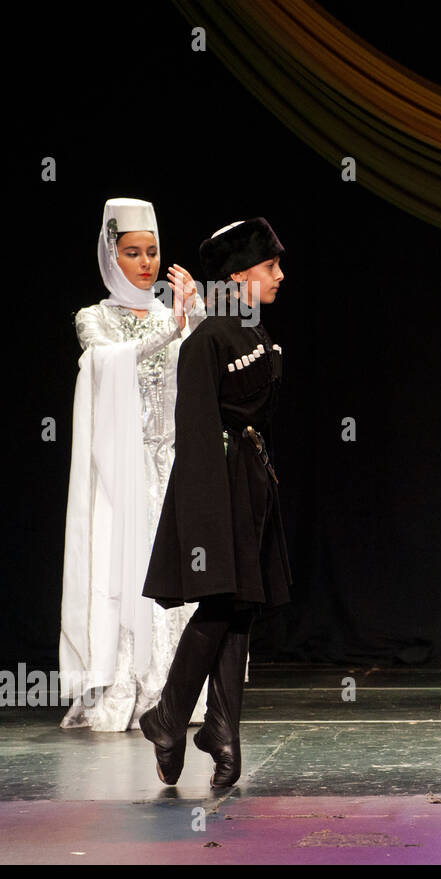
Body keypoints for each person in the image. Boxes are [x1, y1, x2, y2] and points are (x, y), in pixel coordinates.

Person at [139, 218, 290, 787]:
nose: (280, 275)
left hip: (251, 480)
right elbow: (196, 433)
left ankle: (217, 727)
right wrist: (200, 520)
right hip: (217, 485)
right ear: (238, 275)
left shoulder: (252, 334)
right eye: (271, 266)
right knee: (222, 601)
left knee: (242, 604)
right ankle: (173, 717)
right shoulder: (207, 342)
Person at [59, 198, 207, 731]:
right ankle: (122, 680)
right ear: (110, 254)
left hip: (167, 465)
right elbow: (106, 363)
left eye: (152, 253)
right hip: (118, 471)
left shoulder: (173, 317)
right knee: (124, 567)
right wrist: (172, 330)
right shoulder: (93, 318)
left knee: (174, 572)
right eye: (132, 253)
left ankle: (175, 686)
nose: (145, 264)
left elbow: (200, 370)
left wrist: (195, 318)